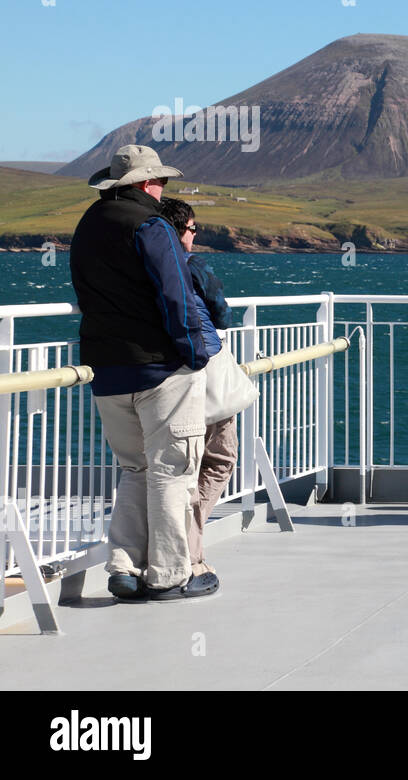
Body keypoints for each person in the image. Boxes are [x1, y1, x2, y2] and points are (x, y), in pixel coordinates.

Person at [68, 145, 216, 600]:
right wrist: (195, 352)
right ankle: (170, 576)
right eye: (160, 182)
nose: (162, 190)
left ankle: (124, 569)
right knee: (172, 472)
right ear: (146, 183)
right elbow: (176, 295)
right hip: (160, 369)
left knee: (134, 469)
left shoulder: (87, 225)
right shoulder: (152, 226)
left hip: (107, 369)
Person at [160, 197, 239, 583]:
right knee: (219, 458)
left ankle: (181, 547)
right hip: (202, 368)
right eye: (193, 228)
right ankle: (190, 555)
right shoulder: (192, 265)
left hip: (160, 375)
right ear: (180, 231)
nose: (195, 235)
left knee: (178, 466)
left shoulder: (145, 268)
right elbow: (222, 311)